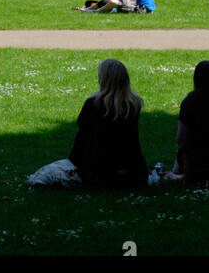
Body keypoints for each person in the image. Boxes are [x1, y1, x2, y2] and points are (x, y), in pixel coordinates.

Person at [28, 60, 147, 190]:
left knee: (40, 176)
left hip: (94, 168)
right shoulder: (133, 105)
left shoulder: (94, 104)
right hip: (130, 166)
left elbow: (82, 125)